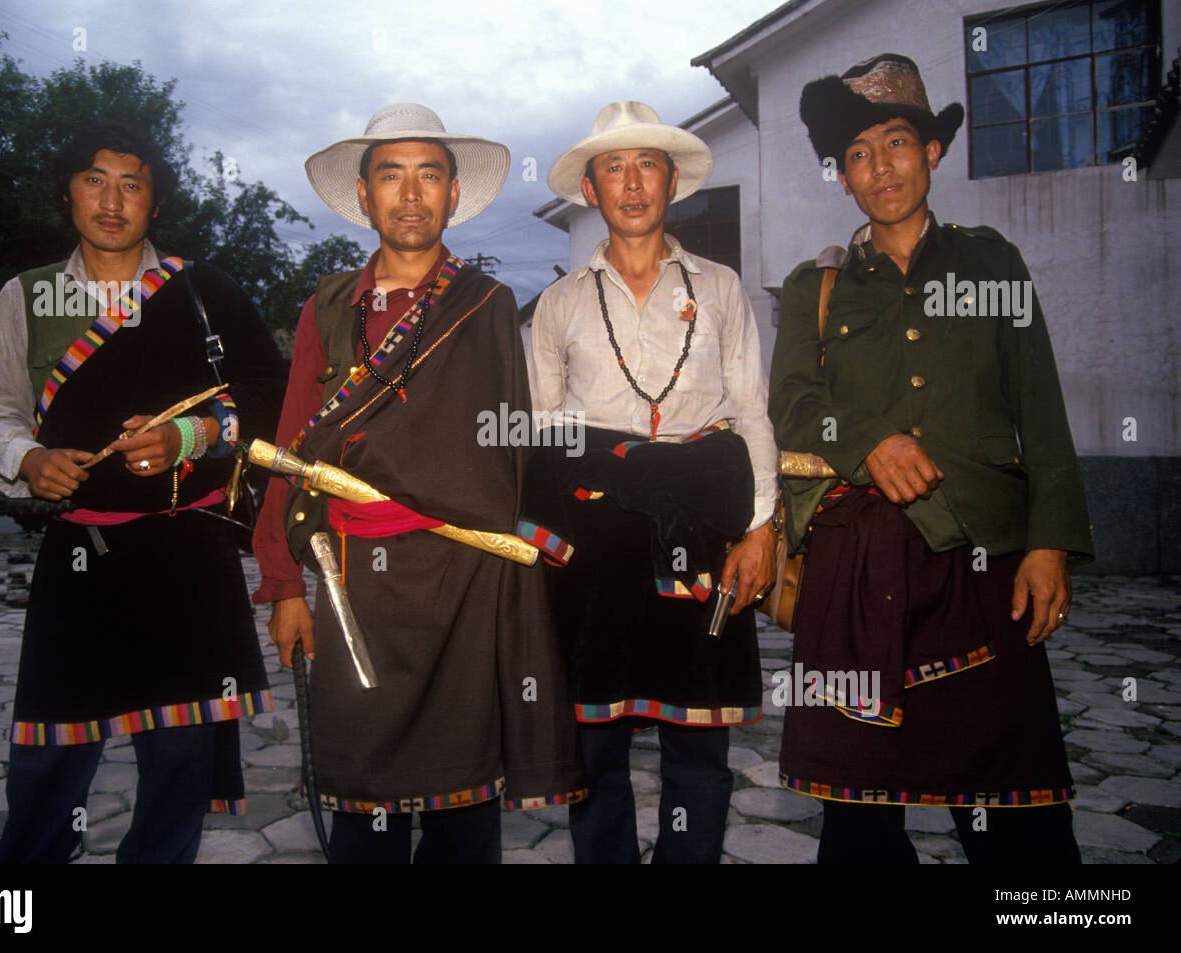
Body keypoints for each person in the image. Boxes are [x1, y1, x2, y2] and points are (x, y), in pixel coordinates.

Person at [770, 53, 1093, 863]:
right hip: (854, 580)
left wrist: (1049, 544)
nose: (880, 168)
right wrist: (869, 441)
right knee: (860, 819)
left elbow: (1042, 415)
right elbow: (794, 404)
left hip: (984, 567)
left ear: (932, 152)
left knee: (1022, 818)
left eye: (896, 142)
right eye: (858, 156)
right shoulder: (818, 287)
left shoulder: (993, 266)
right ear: (842, 178)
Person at [252, 103, 583, 864]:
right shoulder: (327, 311)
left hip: (461, 585)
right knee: (362, 812)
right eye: (390, 175)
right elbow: (291, 449)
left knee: (463, 815)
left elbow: (508, 463)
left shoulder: (488, 306)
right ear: (364, 196)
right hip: (349, 586)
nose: (410, 194)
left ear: (454, 194)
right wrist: (286, 586)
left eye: (428, 175)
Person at [0, 120, 285, 863]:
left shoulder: (206, 293)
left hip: (190, 555)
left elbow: (272, 395)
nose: (112, 201)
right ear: (68, 192)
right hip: (81, 552)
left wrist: (195, 435)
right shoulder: (29, 296)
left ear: (155, 200)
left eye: (132, 183)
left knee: (179, 760)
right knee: (49, 756)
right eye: (94, 180)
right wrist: (29, 456)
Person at [524, 101, 778, 863]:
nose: (631, 184)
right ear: (591, 189)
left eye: (647, 166)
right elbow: (540, 431)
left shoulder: (722, 287)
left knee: (699, 747)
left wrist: (761, 527)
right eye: (613, 168)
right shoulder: (560, 304)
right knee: (592, 748)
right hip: (595, 545)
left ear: (672, 181)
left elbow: (752, 411)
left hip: (702, 534)